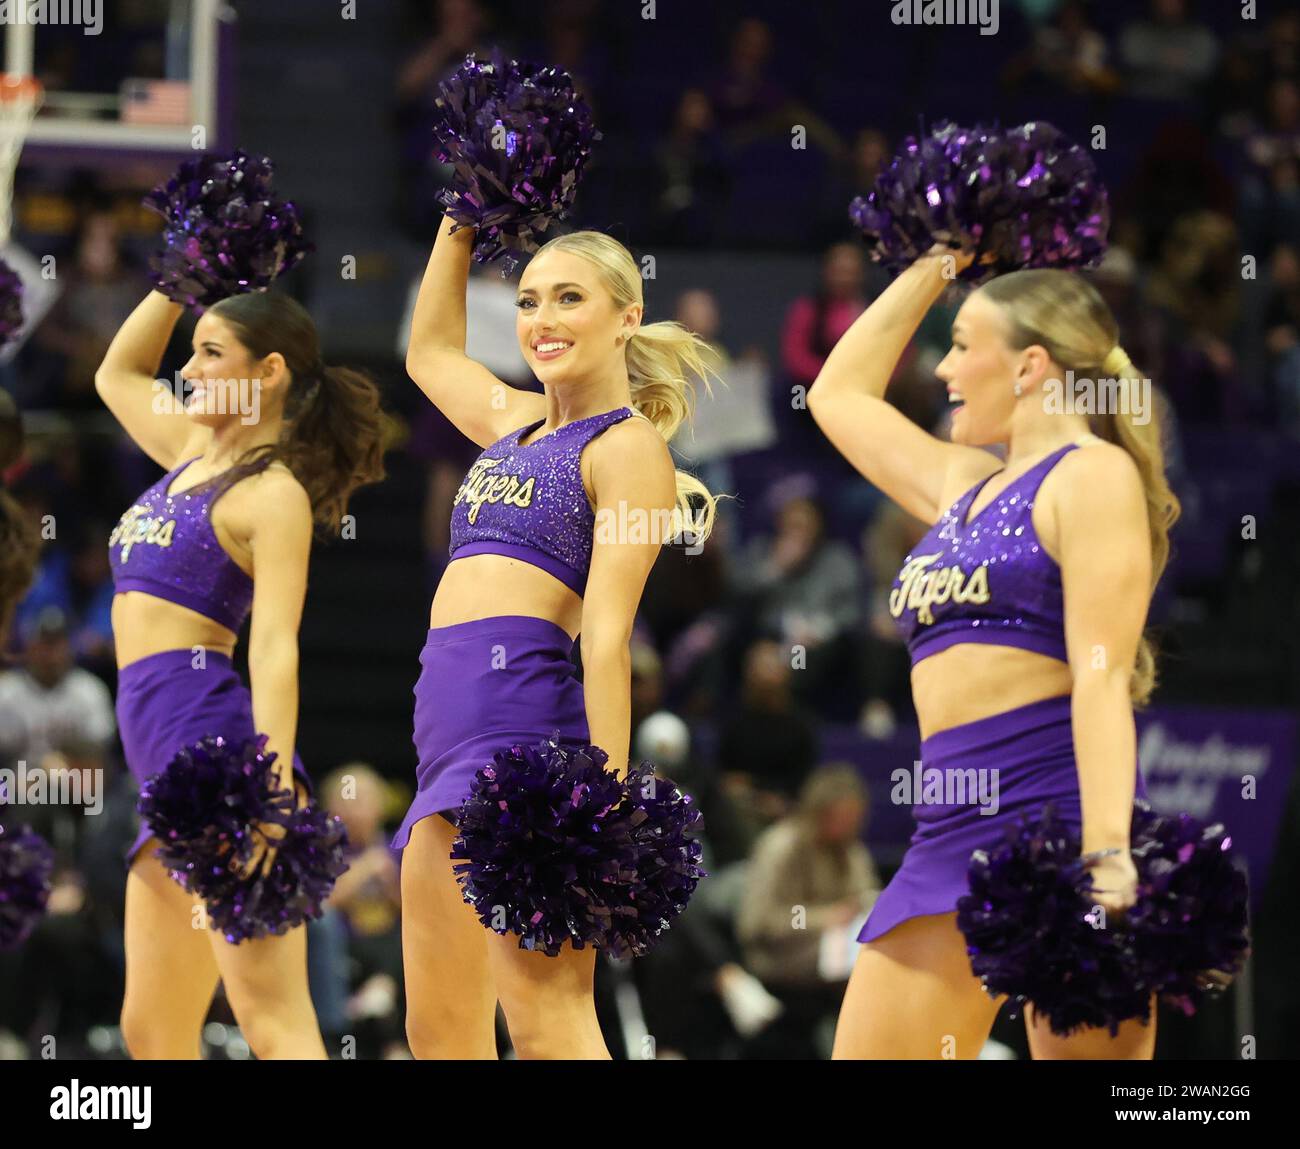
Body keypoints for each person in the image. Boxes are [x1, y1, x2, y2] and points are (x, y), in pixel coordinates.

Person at [808, 247, 1179, 1059]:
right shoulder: (961, 484)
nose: (942, 367)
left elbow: (1101, 675)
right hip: (946, 825)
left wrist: (1109, 853)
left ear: (1030, 365)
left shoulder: (1092, 476)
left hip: (1059, 817)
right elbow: (836, 395)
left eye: (964, 344)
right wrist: (939, 263)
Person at [396, 211, 721, 1059]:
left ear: (625, 316)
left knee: (545, 1020)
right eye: (530, 300)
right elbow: (428, 355)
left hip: (527, 737)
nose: (541, 319)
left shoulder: (627, 446)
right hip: (443, 738)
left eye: (569, 298)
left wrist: (602, 804)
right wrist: (460, 222)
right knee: (436, 1029)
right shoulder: (511, 422)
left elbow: (607, 640)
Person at [97, 288, 384, 1059]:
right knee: (153, 1029)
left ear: (270, 372)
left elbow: (276, 648)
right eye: (191, 349)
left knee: (272, 1018)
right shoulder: (191, 450)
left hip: (221, 766)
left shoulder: (271, 491)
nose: (186, 367)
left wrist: (266, 791)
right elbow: (117, 374)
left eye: (210, 352)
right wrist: (174, 282)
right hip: (163, 776)